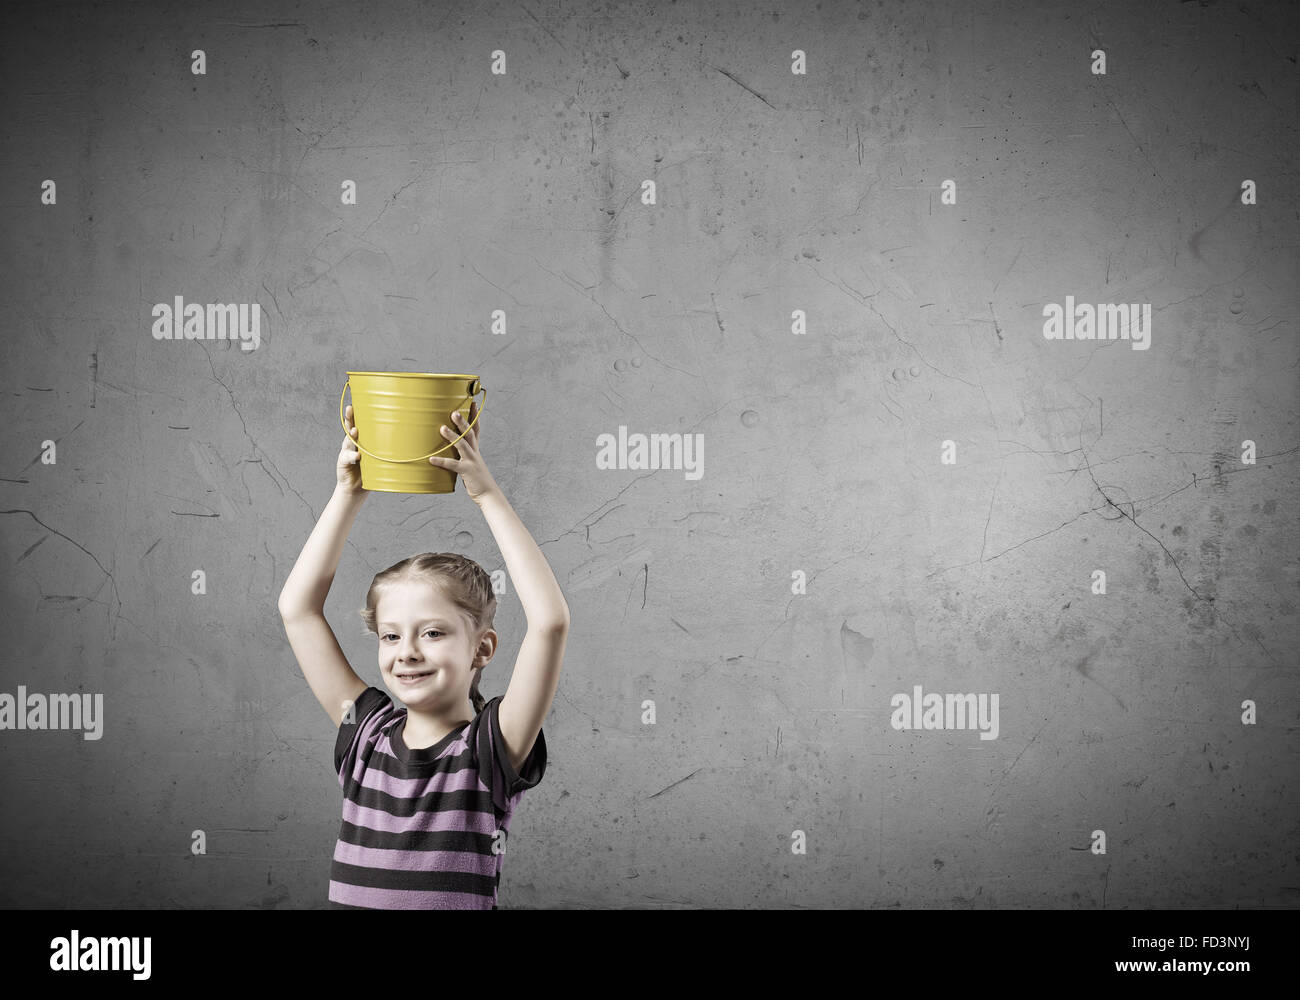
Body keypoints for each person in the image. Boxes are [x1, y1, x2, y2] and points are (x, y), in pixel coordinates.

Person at [277, 397, 570, 908]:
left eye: (432, 633)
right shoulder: (364, 734)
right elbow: (297, 609)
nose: (406, 652)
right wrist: (348, 495)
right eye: (391, 636)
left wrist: (487, 495)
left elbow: (549, 622)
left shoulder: (490, 749)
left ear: (483, 648)